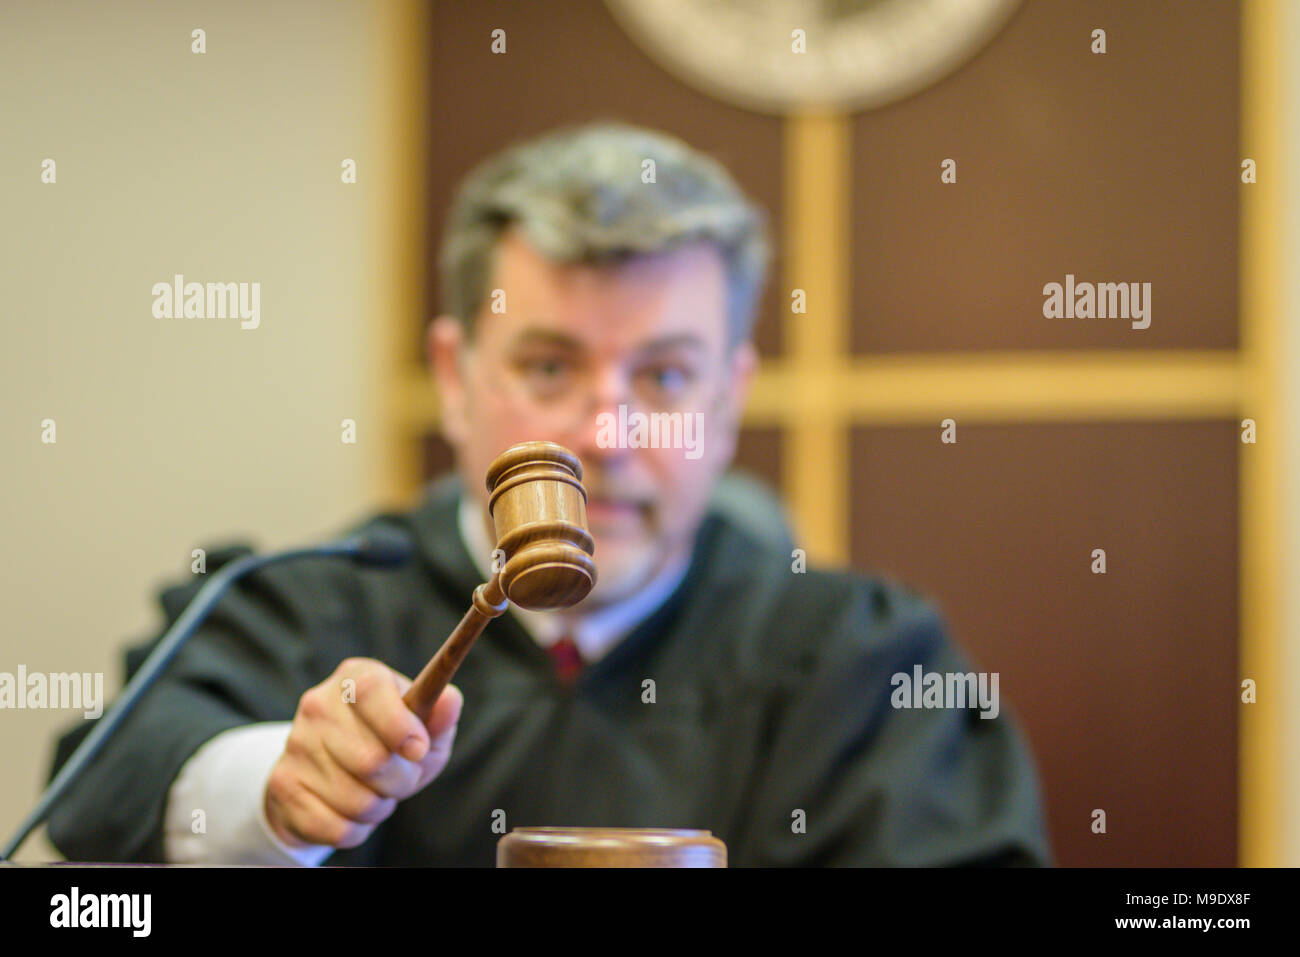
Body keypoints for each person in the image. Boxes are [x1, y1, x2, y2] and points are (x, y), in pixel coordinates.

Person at [45, 122, 1051, 866]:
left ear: (730, 396)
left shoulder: (862, 663)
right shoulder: (298, 605)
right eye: (549, 367)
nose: (604, 436)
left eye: (661, 376)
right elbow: (102, 796)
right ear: (453, 374)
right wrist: (274, 790)